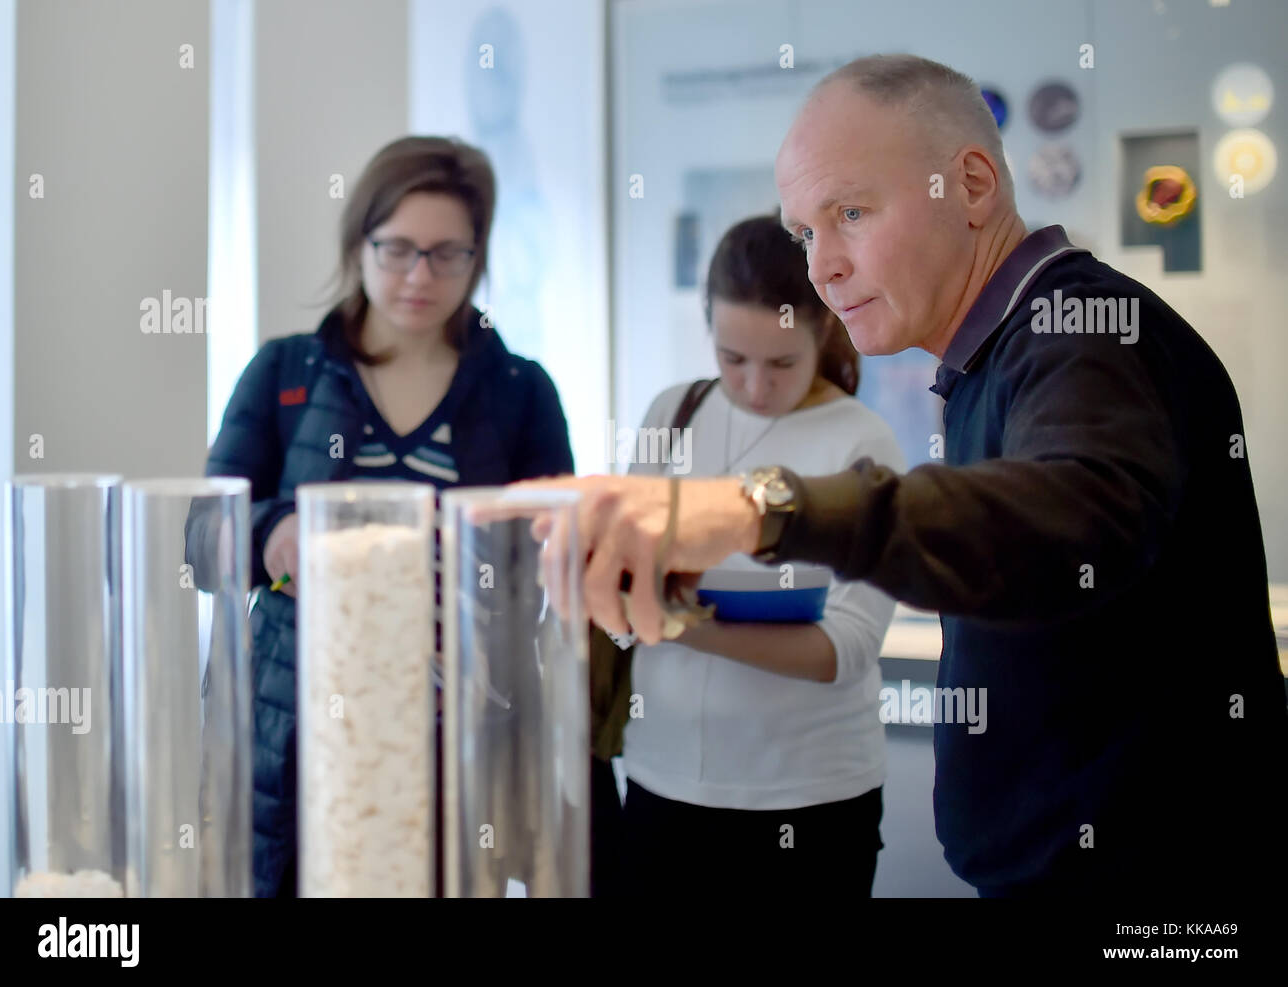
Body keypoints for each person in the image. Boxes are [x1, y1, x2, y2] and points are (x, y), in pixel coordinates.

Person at [513, 55, 1288, 898]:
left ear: (974, 184)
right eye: (806, 232)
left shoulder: (1084, 331)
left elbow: (1078, 512)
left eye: (851, 212)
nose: (821, 268)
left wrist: (755, 509)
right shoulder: (998, 356)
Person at [196, 136, 574, 897]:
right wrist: (274, 534)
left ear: (478, 258)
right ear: (358, 243)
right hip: (298, 723)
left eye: (447, 254)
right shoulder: (286, 373)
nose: (418, 276)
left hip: (453, 729)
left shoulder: (518, 391)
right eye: (397, 248)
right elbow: (202, 538)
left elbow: (559, 555)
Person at [616, 214, 905, 896]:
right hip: (663, 783)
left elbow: (847, 647)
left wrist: (689, 624)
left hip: (807, 801)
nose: (752, 387)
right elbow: (630, 565)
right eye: (730, 358)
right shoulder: (673, 412)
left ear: (824, 330)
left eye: (780, 363)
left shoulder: (862, 443)